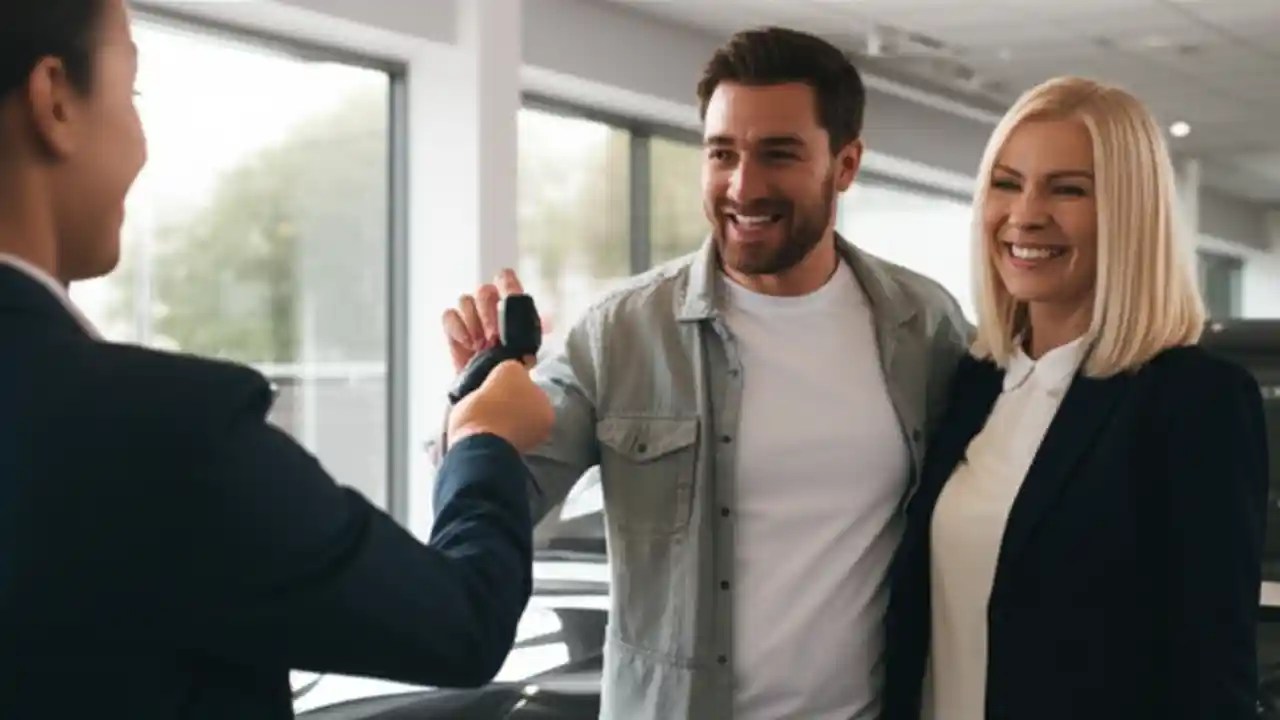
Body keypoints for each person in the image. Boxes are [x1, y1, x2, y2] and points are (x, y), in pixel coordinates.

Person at [0, 1, 554, 717]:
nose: (141, 143)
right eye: (131, 91)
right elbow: (460, 623)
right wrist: (485, 440)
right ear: (54, 100)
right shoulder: (166, 432)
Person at [442, 26, 972, 720]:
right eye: (723, 153)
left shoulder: (922, 323)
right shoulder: (621, 332)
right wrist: (473, 409)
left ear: (845, 165)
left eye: (778, 155)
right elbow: (509, 499)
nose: (742, 185)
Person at [880, 76, 1270, 720]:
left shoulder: (1194, 401)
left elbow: (1212, 668)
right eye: (1007, 183)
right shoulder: (971, 382)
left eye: (1068, 189)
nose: (1026, 214)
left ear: (1130, 214)